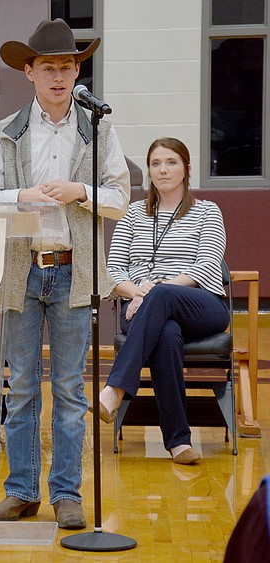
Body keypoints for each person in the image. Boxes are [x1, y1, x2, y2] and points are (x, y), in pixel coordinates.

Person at [0, 18, 130, 529]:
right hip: (21, 272)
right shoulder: (5, 132)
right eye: (48, 68)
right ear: (29, 72)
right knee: (20, 388)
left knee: (69, 390)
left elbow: (121, 198)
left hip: (73, 273)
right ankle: (21, 490)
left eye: (66, 67)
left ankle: (66, 494)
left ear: (77, 71)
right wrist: (23, 195)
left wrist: (81, 192)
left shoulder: (98, 129)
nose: (58, 77)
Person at [97, 137, 229, 465]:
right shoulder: (132, 215)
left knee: (163, 296)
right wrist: (138, 292)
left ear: (186, 169)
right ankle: (179, 442)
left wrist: (155, 291)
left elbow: (207, 265)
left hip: (200, 304)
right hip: (142, 305)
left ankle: (115, 388)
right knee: (166, 333)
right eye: (155, 163)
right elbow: (113, 271)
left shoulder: (207, 211)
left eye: (171, 162)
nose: (163, 170)